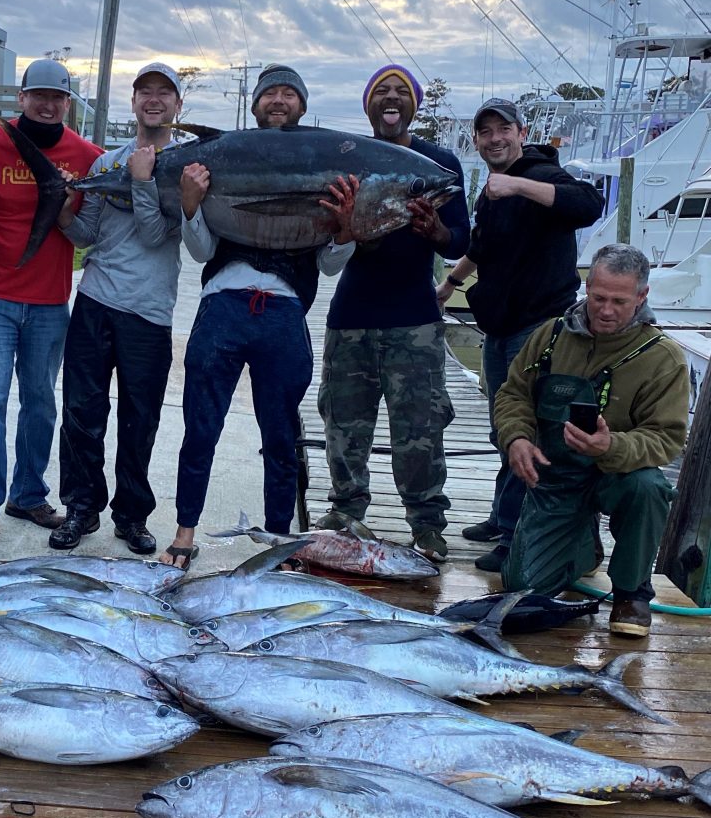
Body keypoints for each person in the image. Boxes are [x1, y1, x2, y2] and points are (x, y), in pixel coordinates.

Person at [160, 64, 356, 570]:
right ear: (255, 105)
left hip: (285, 313)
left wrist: (345, 227)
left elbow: (330, 265)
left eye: (290, 92)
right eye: (271, 92)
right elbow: (202, 253)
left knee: (280, 434)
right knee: (201, 426)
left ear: (302, 107)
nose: (280, 100)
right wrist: (191, 206)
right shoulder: (228, 157)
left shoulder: (321, 164)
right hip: (223, 307)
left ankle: (276, 541)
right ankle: (185, 532)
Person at [437, 97, 603, 572]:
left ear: (520, 131)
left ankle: (516, 535)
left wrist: (518, 185)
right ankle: (502, 515)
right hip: (499, 327)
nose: (494, 138)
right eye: (485, 132)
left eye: (502, 129)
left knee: (529, 427)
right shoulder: (490, 192)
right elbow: (483, 247)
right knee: (501, 427)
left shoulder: (544, 173)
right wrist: (449, 283)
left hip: (540, 328)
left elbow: (589, 204)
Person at [316, 64, 470, 563]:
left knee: (421, 429)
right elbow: (322, 236)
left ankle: (426, 524)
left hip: (415, 319)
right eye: (380, 90)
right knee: (344, 425)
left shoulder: (439, 164)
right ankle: (347, 511)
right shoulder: (350, 160)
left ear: (414, 104)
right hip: (352, 315)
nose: (390, 97)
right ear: (367, 105)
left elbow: (462, 240)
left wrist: (436, 235)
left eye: (400, 91)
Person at [493, 243, 688, 637]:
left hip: (616, 475)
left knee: (649, 486)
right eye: (598, 297)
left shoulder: (663, 357)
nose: (606, 310)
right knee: (521, 594)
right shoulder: (549, 336)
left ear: (642, 296)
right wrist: (515, 437)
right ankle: (582, 547)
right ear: (587, 286)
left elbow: (665, 438)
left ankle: (632, 593)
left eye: (619, 300)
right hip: (556, 477)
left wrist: (611, 447)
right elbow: (513, 394)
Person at [0, 59, 103, 545]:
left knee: (41, 404)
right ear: (21, 98)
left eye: (57, 97)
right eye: (38, 95)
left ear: (68, 104)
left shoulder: (88, 156)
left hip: (49, 302)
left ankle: (27, 494)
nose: (47, 104)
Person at [48, 62, 185, 554]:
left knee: (139, 418)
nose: (153, 99)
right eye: (144, 91)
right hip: (94, 301)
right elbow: (88, 235)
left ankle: (131, 515)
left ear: (177, 106)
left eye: (163, 93)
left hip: (148, 312)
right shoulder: (106, 163)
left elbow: (155, 235)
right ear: (133, 103)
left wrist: (145, 182)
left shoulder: (184, 170)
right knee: (81, 413)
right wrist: (66, 209)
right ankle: (81, 508)